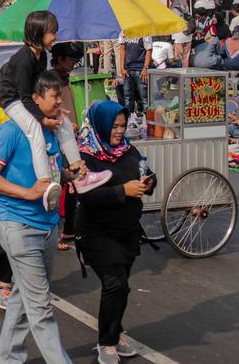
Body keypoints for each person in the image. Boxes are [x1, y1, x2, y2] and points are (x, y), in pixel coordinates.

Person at [0, 71, 73, 364]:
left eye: (61, 95)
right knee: (40, 306)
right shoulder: (10, 131)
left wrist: (72, 174)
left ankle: (8, 358)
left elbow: (52, 172)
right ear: (35, 99)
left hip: (46, 227)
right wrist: (27, 193)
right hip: (18, 226)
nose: (60, 102)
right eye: (54, 96)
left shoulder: (53, 130)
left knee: (23, 298)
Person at [0, 11, 105, 213]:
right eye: (52, 32)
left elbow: (40, 90)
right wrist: (42, 118)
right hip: (12, 99)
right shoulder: (23, 59)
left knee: (63, 121)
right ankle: (45, 183)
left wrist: (55, 108)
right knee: (35, 132)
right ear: (38, 33)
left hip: (32, 97)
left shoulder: (42, 56)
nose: (55, 37)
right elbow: (23, 97)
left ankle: (79, 174)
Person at [75, 100, 153, 364]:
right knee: (115, 283)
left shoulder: (127, 150)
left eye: (123, 125)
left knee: (122, 287)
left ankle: (116, 330)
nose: (119, 131)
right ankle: (107, 343)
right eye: (114, 126)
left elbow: (145, 172)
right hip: (97, 232)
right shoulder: (85, 155)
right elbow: (86, 196)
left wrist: (148, 181)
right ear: (101, 125)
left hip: (127, 231)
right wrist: (124, 191)